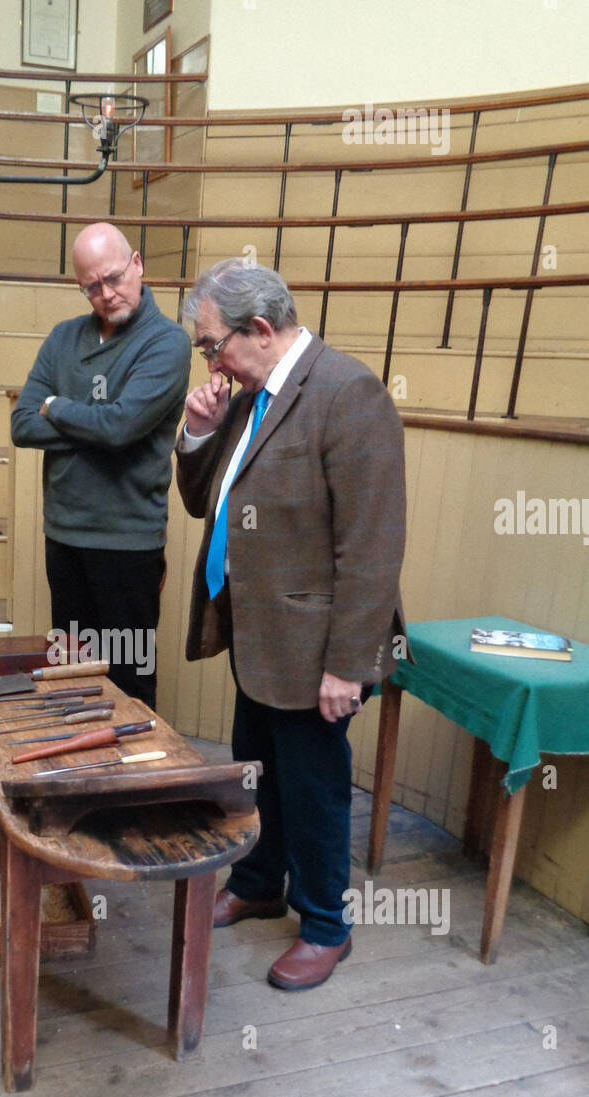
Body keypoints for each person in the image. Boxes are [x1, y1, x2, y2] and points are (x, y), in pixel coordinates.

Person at [177, 259, 407, 990]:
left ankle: (324, 925)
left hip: (316, 651)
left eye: (211, 344)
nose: (210, 360)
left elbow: (371, 546)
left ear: (262, 330)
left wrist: (349, 664)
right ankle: (257, 880)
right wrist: (195, 430)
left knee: (313, 789)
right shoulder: (249, 397)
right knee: (257, 772)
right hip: (258, 633)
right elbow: (198, 500)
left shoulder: (347, 393)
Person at [10, 222, 192, 706]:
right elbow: (23, 425)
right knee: (70, 677)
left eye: (114, 277)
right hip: (64, 539)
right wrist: (100, 424)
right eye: (93, 286)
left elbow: (121, 427)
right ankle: (79, 780)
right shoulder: (64, 336)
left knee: (129, 684)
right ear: (80, 286)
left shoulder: (167, 342)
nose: (107, 293)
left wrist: (61, 407)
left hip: (127, 547)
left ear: (138, 263)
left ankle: (134, 781)